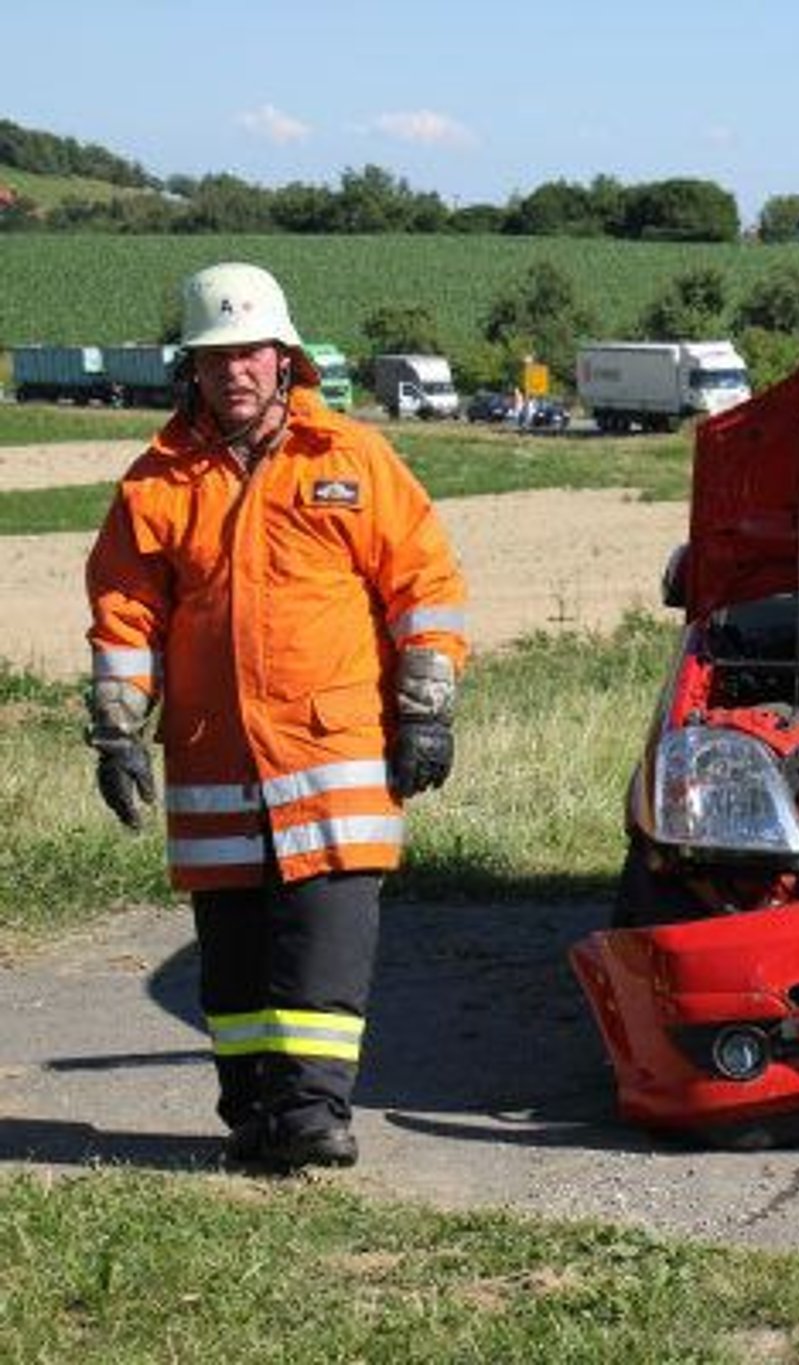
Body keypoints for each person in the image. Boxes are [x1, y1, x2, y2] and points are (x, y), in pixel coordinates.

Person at [84, 262, 469, 1171]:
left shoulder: (352, 459)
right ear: (193, 368)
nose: (236, 370)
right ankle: (254, 1115)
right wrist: (117, 729)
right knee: (233, 963)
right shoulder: (155, 482)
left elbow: (424, 586)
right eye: (216, 356)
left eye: (252, 352)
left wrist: (426, 708)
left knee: (322, 949)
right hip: (216, 763)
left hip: (335, 757)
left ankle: (312, 1115)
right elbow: (125, 616)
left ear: (285, 356)